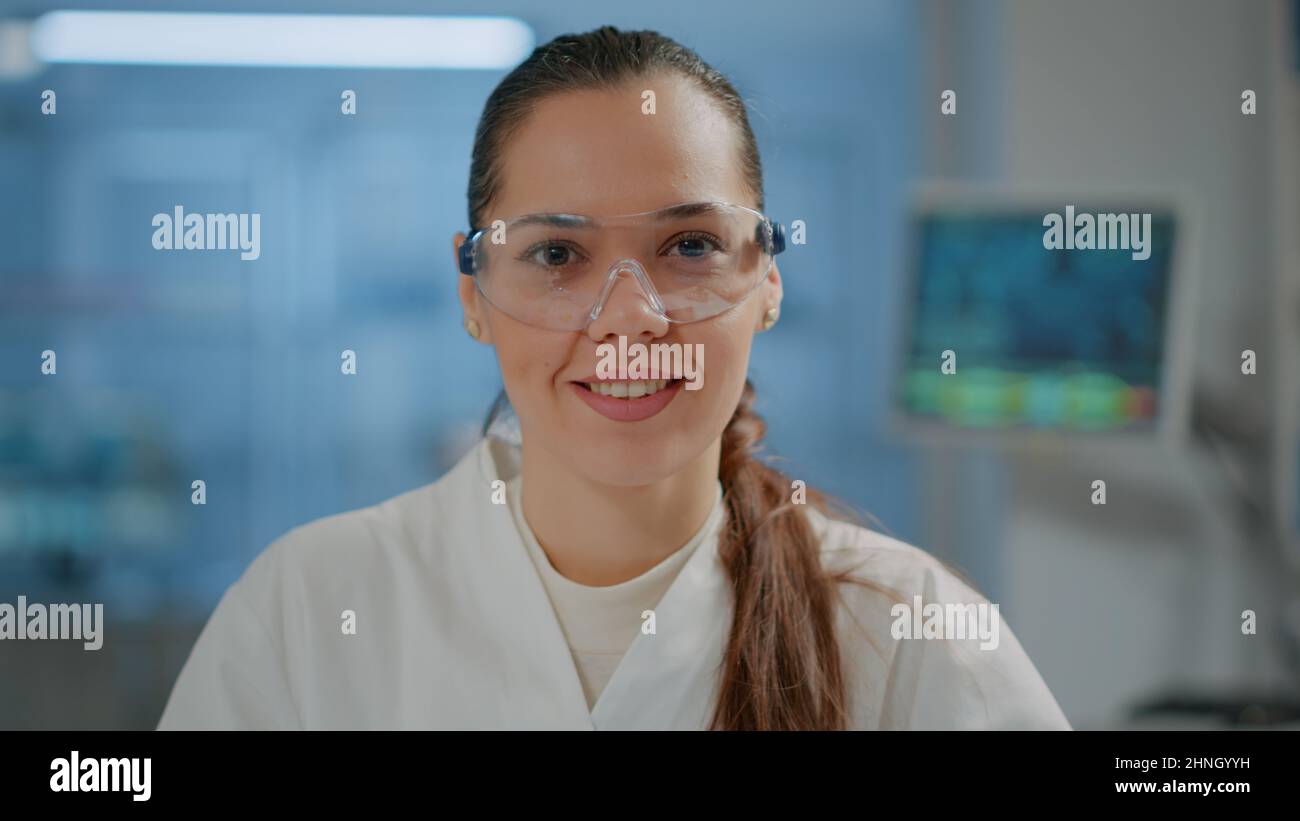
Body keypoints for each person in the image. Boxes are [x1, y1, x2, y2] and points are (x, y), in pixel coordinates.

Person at [158, 25, 1069, 731]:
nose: (629, 316)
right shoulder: (309, 609)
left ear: (768, 281)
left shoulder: (913, 632)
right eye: (557, 252)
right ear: (473, 291)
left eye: (689, 247)